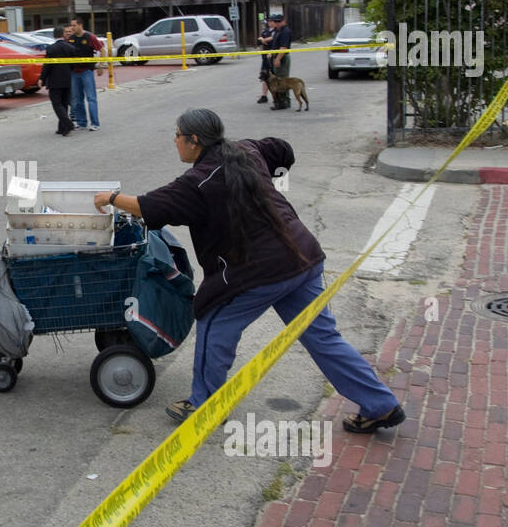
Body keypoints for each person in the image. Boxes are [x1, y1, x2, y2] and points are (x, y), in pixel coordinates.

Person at [92, 108, 405, 434]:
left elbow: (147, 207)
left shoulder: (197, 183)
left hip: (257, 271)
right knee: (324, 339)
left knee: (213, 322)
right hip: (302, 258)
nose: (175, 141)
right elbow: (283, 150)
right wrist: (272, 184)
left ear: (194, 141)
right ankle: (380, 406)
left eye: (177, 135)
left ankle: (206, 405)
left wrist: (111, 197)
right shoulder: (246, 149)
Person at [67, 17, 104, 131]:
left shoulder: (89, 37)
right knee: (77, 99)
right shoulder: (70, 39)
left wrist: (100, 65)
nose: (72, 28)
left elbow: (102, 50)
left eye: (74, 25)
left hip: (86, 72)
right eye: (71, 25)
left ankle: (95, 123)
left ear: (80, 25)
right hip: (74, 73)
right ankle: (82, 123)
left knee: (91, 98)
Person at [41, 26, 76, 136]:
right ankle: (62, 129)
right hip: (67, 79)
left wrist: (42, 78)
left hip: (55, 81)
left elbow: (47, 65)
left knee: (56, 104)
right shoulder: (70, 48)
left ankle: (68, 124)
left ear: (54, 35)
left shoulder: (51, 49)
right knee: (64, 104)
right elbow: (74, 64)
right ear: (63, 34)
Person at [266, 13, 292, 111]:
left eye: (278, 22)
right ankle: (281, 101)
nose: (276, 23)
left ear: (283, 21)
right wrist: (272, 54)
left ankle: (284, 101)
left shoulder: (285, 31)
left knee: (282, 81)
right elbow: (275, 44)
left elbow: (283, 47)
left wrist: (278, 59)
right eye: (275, 21)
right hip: (277, 56)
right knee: (278, 79)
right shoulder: (278, 30)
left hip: (282, 58)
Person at [256, 18, 274, 104]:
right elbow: (259, 42)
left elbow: (273, 41)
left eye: (271, 21)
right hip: (265, 56)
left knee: (274, 76)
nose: (270, 23)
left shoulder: (276, 31)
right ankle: (264, 95)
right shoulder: (265, 31)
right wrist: (262, 40)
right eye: (269, 21)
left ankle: (277, 95)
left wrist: (264, 40)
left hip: (272, 55)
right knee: (265, 75)